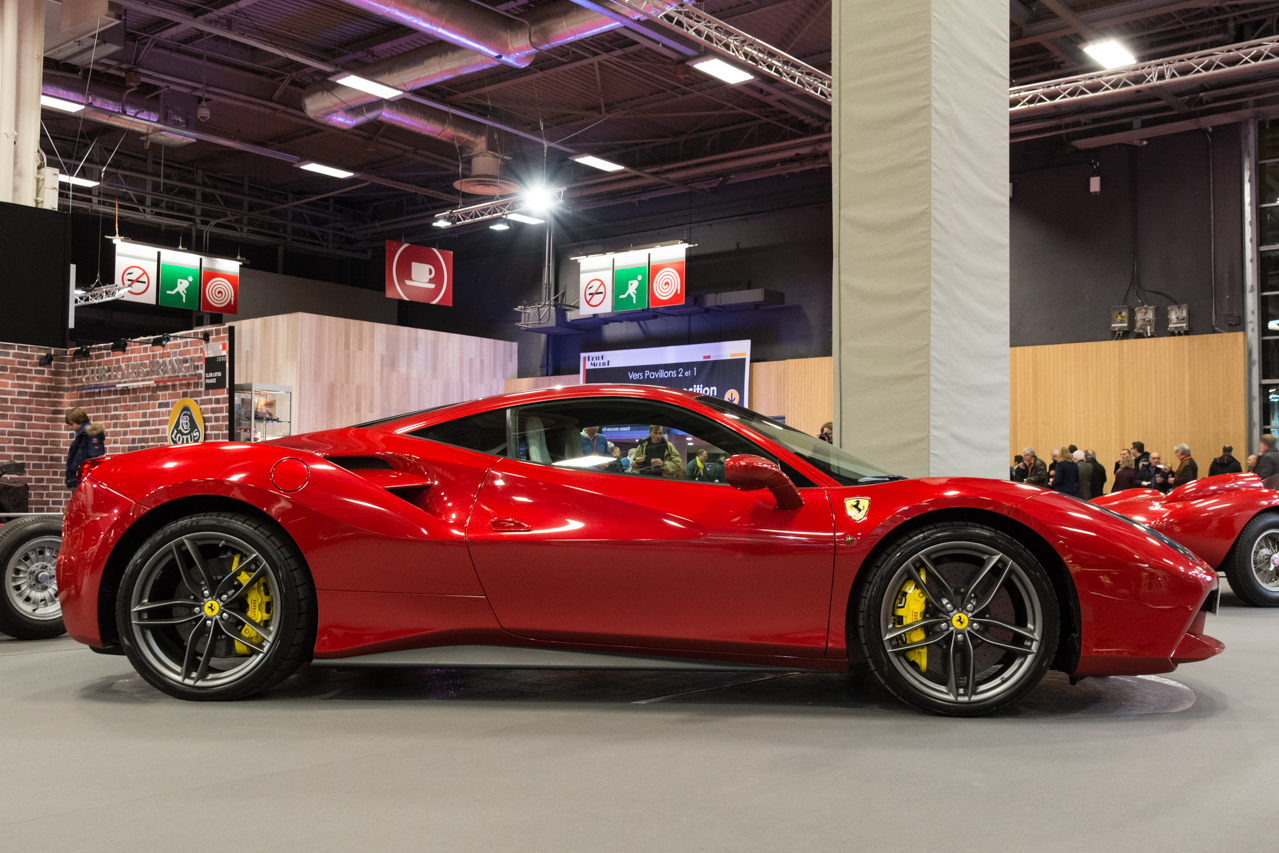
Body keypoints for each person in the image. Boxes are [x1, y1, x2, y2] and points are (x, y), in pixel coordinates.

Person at [64, 407, 106, 489]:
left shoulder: (90, 435)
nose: (70, 427)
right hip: (79, 480)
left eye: (71, 424)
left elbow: (95, 458)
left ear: (79, 421)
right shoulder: (82, 435)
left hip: (84, 482)